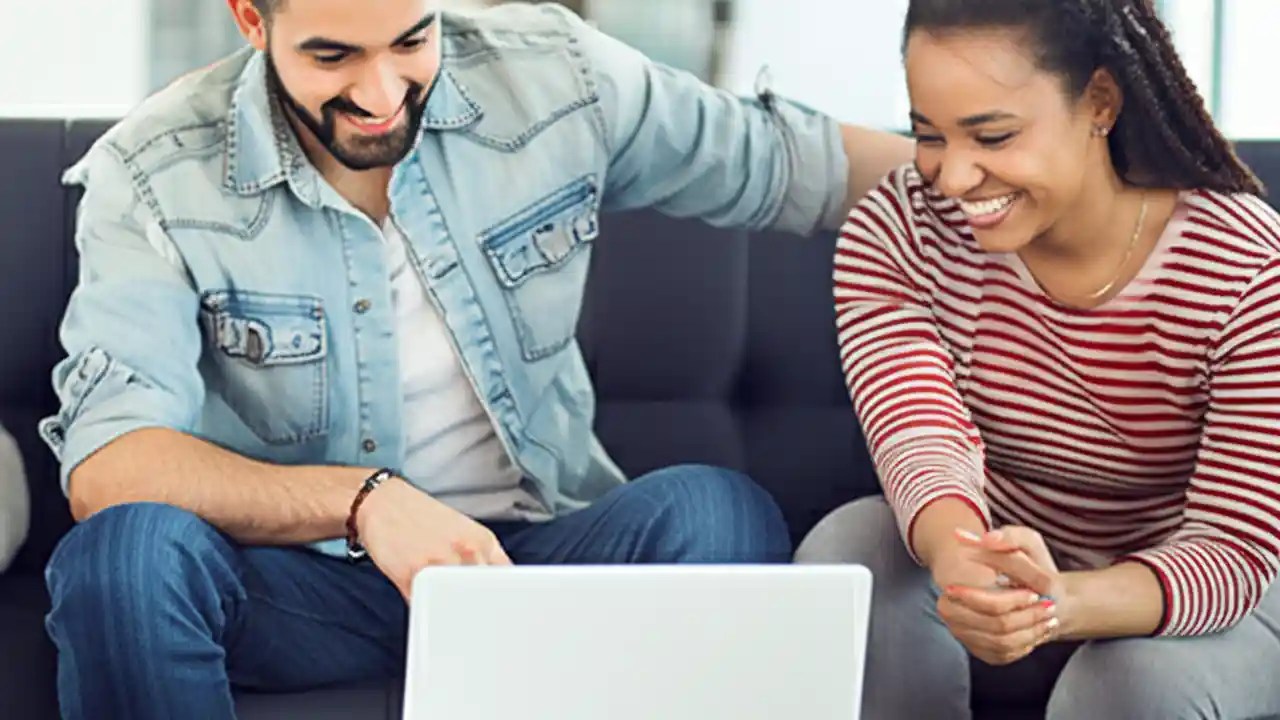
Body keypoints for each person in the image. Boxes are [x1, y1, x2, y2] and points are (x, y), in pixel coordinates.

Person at [38, 0, 913, 717]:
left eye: (412, 39)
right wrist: (364, 506)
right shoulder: (152, 173)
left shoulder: (554, 77)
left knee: (714, 510)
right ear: (251, 20)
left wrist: (1029, 182)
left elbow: (799, 165)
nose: (382, 93)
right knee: (124, 556)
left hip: (532, 569)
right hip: (303, 589)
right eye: (333, 55)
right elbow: (111, 464)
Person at [797, 0, 1280, 718]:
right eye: (928, 134)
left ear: (1099, 103)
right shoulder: (898, 231)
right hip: (1005, 558)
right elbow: (919, 433)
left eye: (992, 134)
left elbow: (1231, 548)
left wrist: (1059, 604)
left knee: (1128, 683)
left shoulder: (1245, 268)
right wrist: (964, 562)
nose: (953, 177)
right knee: (853, 548)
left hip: (1199, 595)